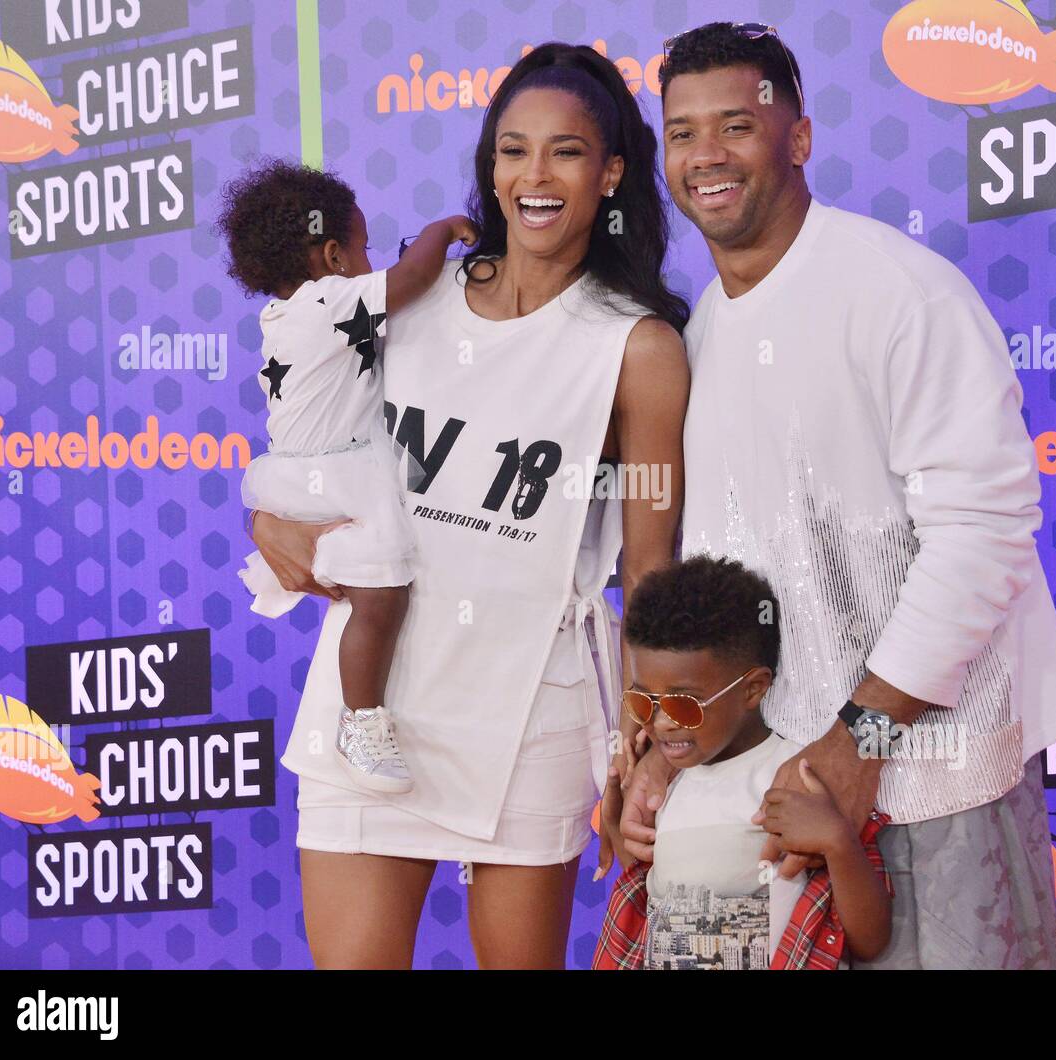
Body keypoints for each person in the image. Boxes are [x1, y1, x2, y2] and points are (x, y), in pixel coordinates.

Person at [612, 22, 1056, 969]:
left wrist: (860, 737)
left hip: (937, 778)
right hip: (776, 803)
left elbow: (983, 534)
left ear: (797, 139)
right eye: (682, 131)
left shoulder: (900, 292)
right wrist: (663, 750)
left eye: (738, 125)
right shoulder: (694, 332)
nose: (706, 155)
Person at [248, 43, 690, 968]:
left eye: (565, 152)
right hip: (373, 705)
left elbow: (650, 565)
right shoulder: (402, 301)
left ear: (609, 173)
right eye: (511, 150)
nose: (533, 176)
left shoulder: (638, 349)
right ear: (489, 166)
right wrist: (266, 517)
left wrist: (650, 741)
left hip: (533, 704)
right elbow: (308, 437)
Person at [217, 160, 475, 795]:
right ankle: (361, 718)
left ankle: (362, 713)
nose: (370, 261)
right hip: (333, 472)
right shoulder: (330, 301)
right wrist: (440, 233)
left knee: (370, 587)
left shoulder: (286, 316)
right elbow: (413, 280)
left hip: (301, 472)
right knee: (384, 589)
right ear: (332, 255)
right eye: (362, 247)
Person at [593, 555, 892, 970]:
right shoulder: (664, 785)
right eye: (644, 701)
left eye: (684, 705)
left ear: (753, 689)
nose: (661, 723)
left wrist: (838, 842)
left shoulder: (796, 777)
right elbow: (654, 898)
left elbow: (870, 940)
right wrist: (614, 822)